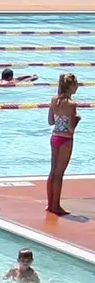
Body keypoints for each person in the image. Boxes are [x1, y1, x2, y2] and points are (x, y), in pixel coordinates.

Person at [47, 72, 80, 217]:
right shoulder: (72, 104)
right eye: (76, 84)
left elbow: (51, 122)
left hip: (54, 137)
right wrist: (77, 120)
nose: (77, 87)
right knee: (60, 173)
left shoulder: (54, 100)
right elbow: (71, 129)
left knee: (53, 171)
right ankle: (56, 206)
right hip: (66, 139)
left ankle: (50, 204)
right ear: (71, 86)